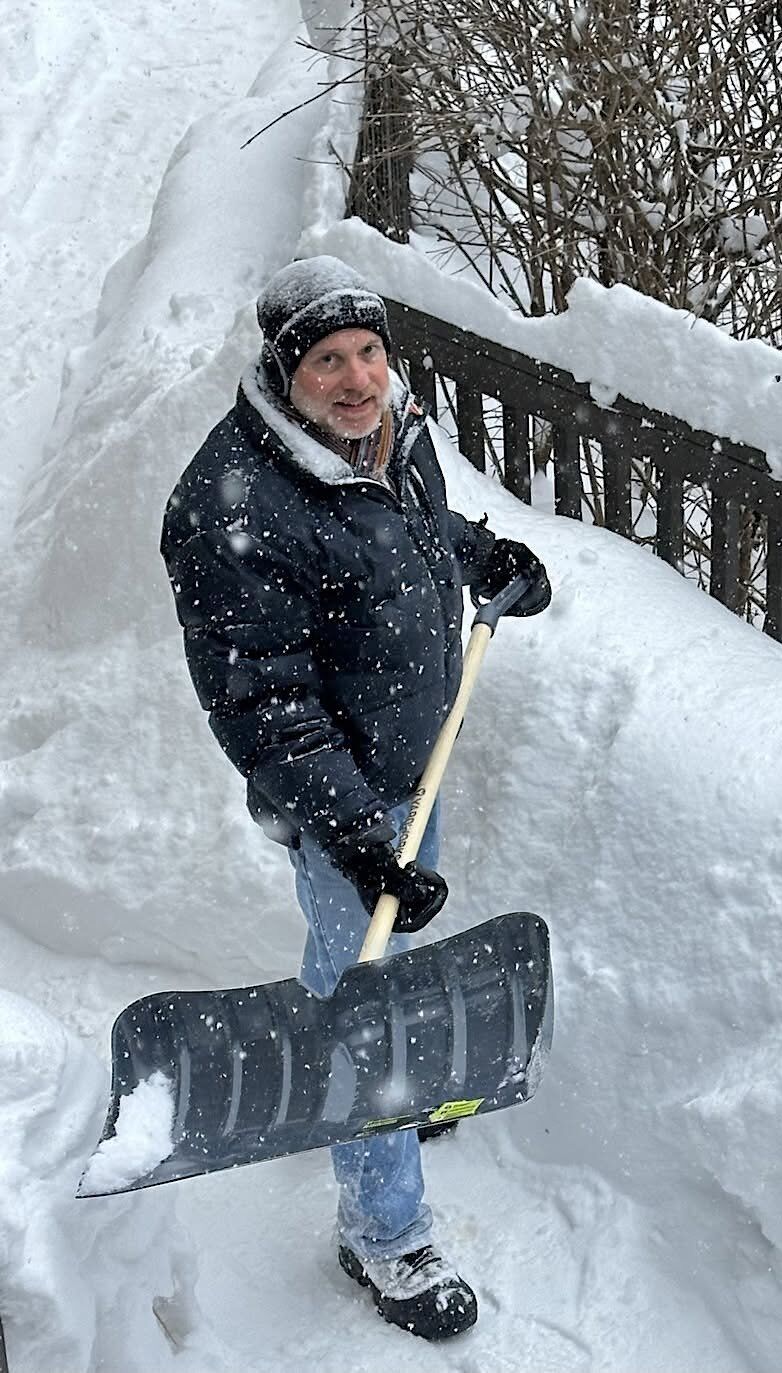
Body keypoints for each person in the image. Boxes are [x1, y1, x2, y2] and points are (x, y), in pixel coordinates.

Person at [159, 255, 551, 1341]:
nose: (357, 377)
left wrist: (486, 557)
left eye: (370, 351)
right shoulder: (226, 505)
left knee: (394, 972)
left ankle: (400, 1100)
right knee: (361, 1004)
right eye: (328, 360)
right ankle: (383, 1234)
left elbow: (409, 533)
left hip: (413, 760)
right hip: (336, 796)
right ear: (287, 374)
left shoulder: (390, 430)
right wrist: (359, 838)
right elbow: (263, 702)